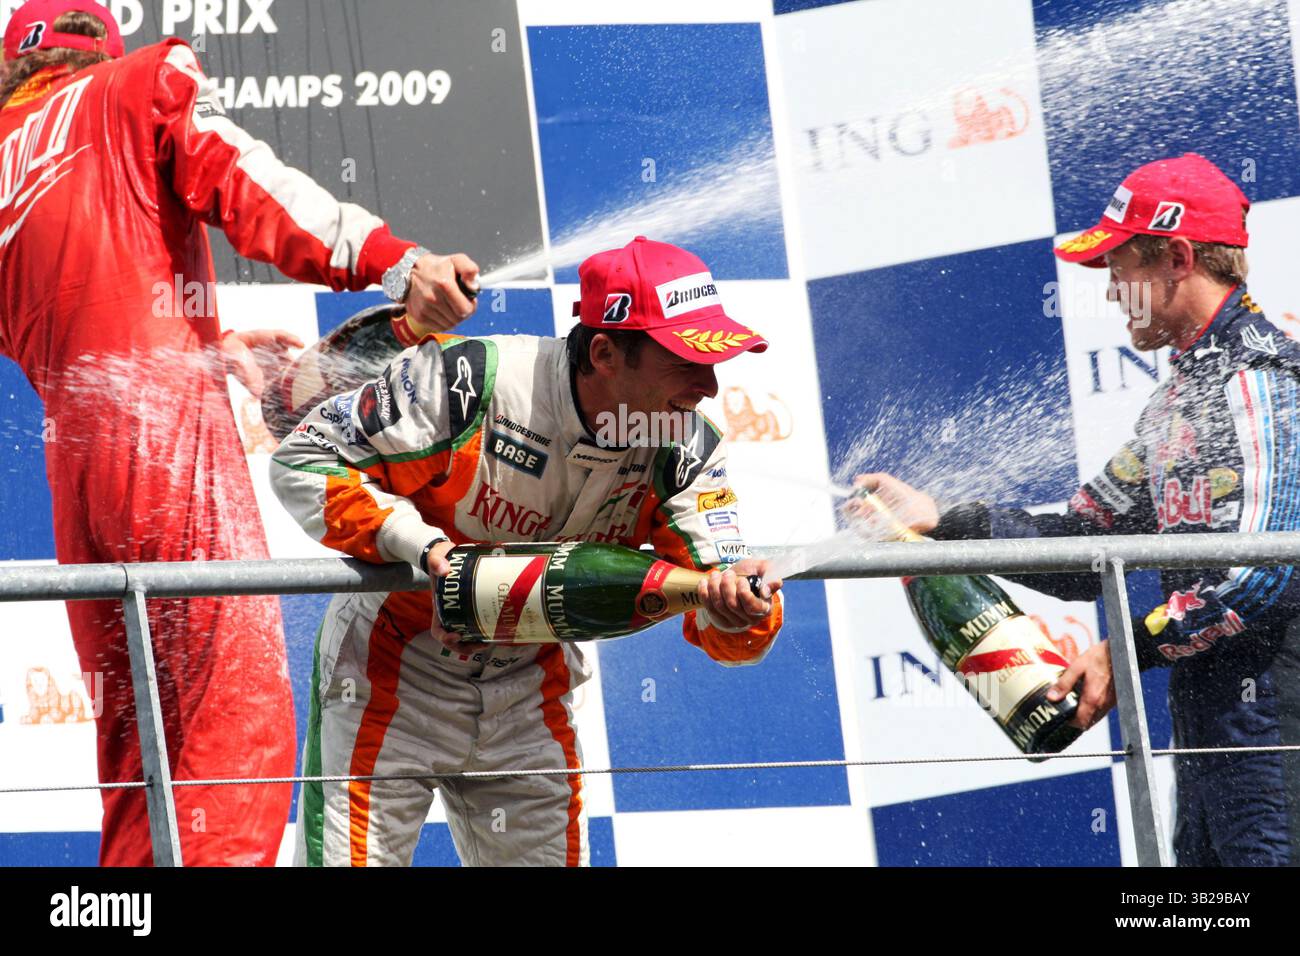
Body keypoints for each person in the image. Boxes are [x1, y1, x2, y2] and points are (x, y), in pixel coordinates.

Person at [0, 0, 478, 866]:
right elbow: (255, 189)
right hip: (169, 450)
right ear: (103, 51)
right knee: (231, 739)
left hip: (80, 471)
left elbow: (67, 323)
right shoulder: (140, 84)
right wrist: (399, 264)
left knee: (142, 757)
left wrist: (197, 349)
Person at [271, 236, 785, 866]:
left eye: (714, 362)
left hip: (530, 696)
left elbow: (724, 613)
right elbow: (303, 461)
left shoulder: (687, 447)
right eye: (686, 360)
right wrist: (422, 547)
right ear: (603, 352)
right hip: (387, 674)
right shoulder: (469, 382)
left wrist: (743, 611)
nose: (708, 386)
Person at [858, 153, 1300, 866]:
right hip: (1213, 739)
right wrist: (943, 519)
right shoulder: (1175, 404)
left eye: (1121, 268)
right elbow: (1083, 544)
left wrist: (1125, 652)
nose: (1114, 292)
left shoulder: (1262, 382)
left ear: (1179, 258)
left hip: (1280, 730)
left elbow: (1265, 573)